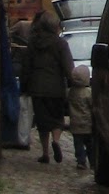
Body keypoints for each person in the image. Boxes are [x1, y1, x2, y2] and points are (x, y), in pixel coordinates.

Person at [19, 9, 73, 163]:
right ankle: (56, 141)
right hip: (56, 88)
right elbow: (68, 66)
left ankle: (45, 153)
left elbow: (26, 67)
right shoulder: (61, 44)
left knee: (42, 121)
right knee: (57, 118)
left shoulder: (33, 44)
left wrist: (24, 86)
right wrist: (72, 82)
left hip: (37, 88)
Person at [8, 20, 33, 149]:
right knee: (26, 110)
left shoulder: (17, 47)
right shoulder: (32, 46)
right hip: (26, 79)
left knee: (20, 108)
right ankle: (23, 137)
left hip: (17, 72)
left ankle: (17, 136)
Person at [67, 63, 95, 171]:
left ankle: (81, 161)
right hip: (87, 123)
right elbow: (92, 105)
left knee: (78, 144)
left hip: (75, 123)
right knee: (90, 144)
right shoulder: (88, 93)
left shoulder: (71, 92)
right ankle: (92, 162)